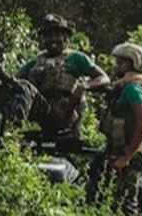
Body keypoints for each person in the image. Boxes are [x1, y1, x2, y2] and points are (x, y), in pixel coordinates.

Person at [10, 13, 110, 142]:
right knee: (16, 87)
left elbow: (104, 78)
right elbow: (15, 79)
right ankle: (11, 129)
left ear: (65, 37)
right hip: (42, 112)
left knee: (25, 88)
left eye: (57, 35)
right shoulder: (37, 61)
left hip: (64, 113)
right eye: (48, 36)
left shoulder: (76, 58)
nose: (52, 39)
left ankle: (14, 130)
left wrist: (84, 86)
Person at [88, 41, 142, 216]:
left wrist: (127, 157)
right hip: (119, 151)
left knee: (125, 205)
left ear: (130, 63)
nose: (116, 66)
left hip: (131, 155)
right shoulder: (124, 87)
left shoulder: (133, 89)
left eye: (120, 62)